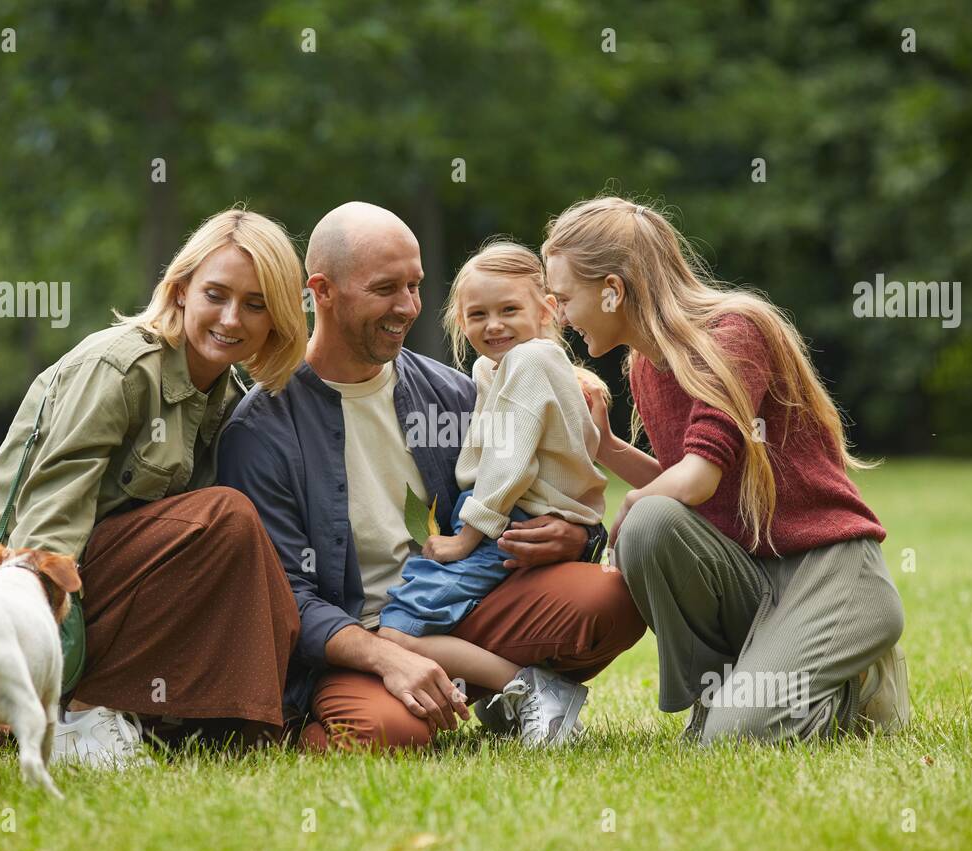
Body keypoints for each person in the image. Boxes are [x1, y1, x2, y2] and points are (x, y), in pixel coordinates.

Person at [217, 202, 646, 750]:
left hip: (460, 608)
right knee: (390, 733)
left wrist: (574, 535)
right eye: (385, 289)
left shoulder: (450, 394)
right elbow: (286, 595)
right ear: (320, 291)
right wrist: (384, 657)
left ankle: (503, 692)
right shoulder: (262, 429)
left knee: (611, 601)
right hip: (356, 639)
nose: (407, 307)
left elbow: (530, 481)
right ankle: (466, 693)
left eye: (415, 286)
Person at [541, 196, 909, 745]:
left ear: (613, 289)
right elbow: (688, 489)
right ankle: (721, 690)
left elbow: (696, 479)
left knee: (734, 739)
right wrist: (610, 449)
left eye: (565, 298)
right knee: (654, 526)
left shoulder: (733, 332)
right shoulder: (644, 366)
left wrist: (626, 509)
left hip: (826, 569)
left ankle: (860, 678)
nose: (560, 315)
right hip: (751, 573)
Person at [0, 206, 306, 766]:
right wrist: (31, 648)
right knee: (225, 517)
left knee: (255, 558)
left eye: (256, 304)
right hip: (7, 573)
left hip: (101, 565)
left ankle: (225, 720)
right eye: (217, 294)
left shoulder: (229, 398)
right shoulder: (123, 366)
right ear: (181, 290)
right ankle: (70, 716)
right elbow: (48, 514)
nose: (233, 319)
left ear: (276, 318)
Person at [375, 240, 611, 746]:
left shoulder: (530, 360)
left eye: (510, 310)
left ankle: (530, 691)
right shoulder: (493, 369)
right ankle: (513, 696)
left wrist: (466, 537)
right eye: (477, 314)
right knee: (420, 613)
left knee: (396, 633)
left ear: (548, 309)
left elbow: (509, 462)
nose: (494, 325)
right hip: (506, 514)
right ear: (460, 322)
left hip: (510, 518)